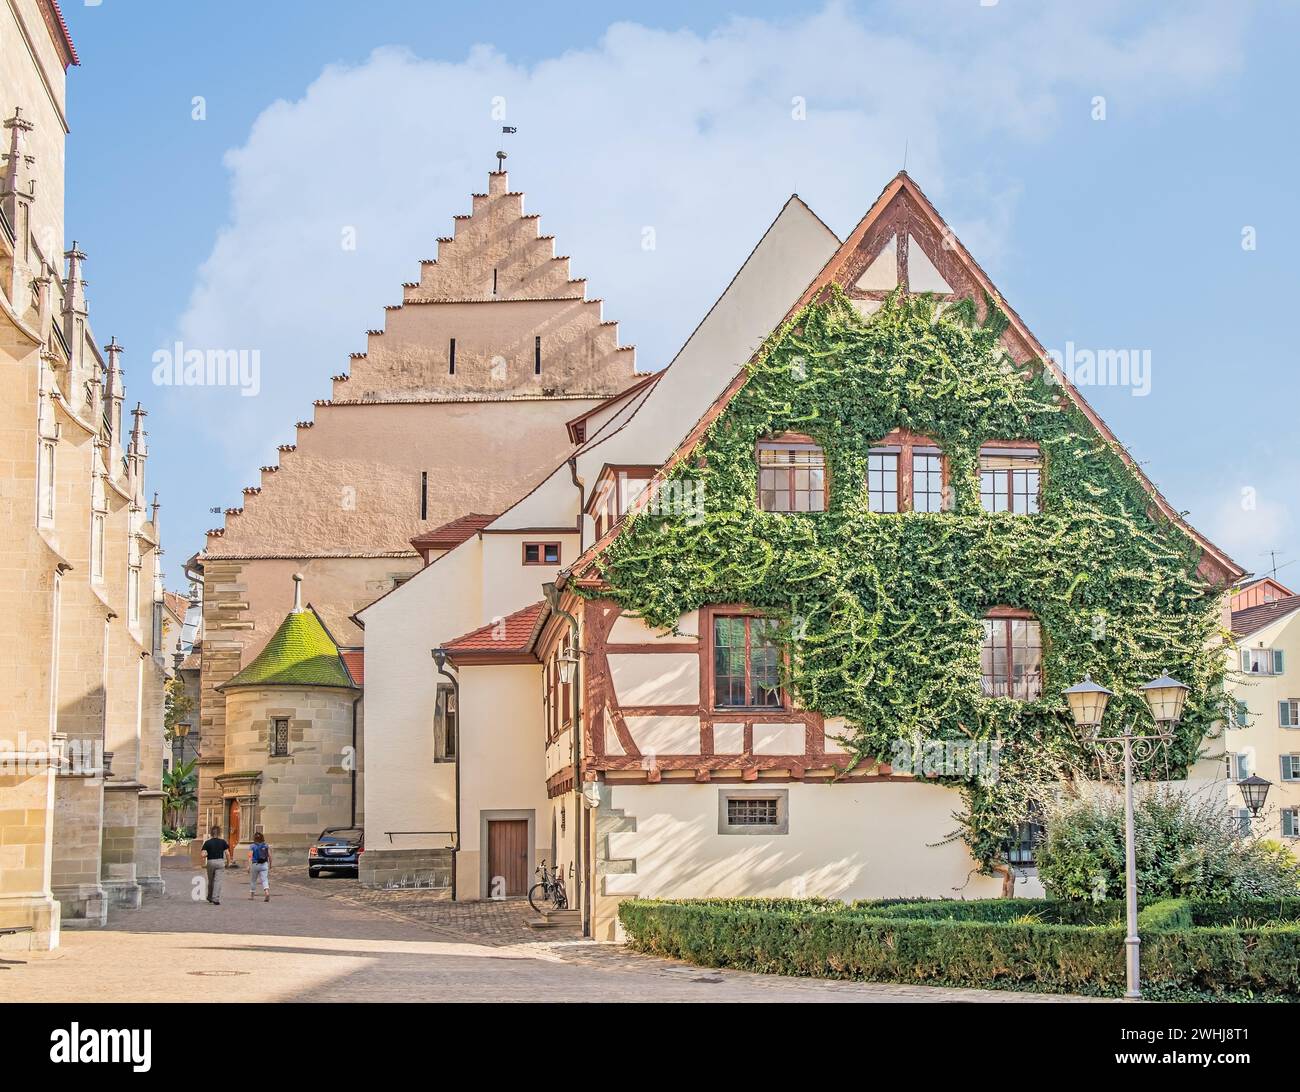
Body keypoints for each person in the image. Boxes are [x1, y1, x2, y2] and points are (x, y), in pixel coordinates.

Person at [199, 825, 232, 904]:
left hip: (210, 862)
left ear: (211, 833)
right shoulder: (223, 842)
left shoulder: (207, 842)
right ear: (219, 833)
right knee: (218, 881)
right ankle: (215, 898)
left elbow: (203, 854)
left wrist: (206, 855)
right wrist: (228, 863)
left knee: (211, 881)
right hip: (220, 862)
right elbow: (227, 853)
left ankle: (210, 897)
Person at [248, 831, 272, 902]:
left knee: (253, 880)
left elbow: (250, 856)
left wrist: (249, 866)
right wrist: (271, 864)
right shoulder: (266, 845)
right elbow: (270, 856)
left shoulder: (252, 846)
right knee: (264, 879)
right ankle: (267, 892)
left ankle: (252, 896)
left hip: (255, 864)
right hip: (264, 864)